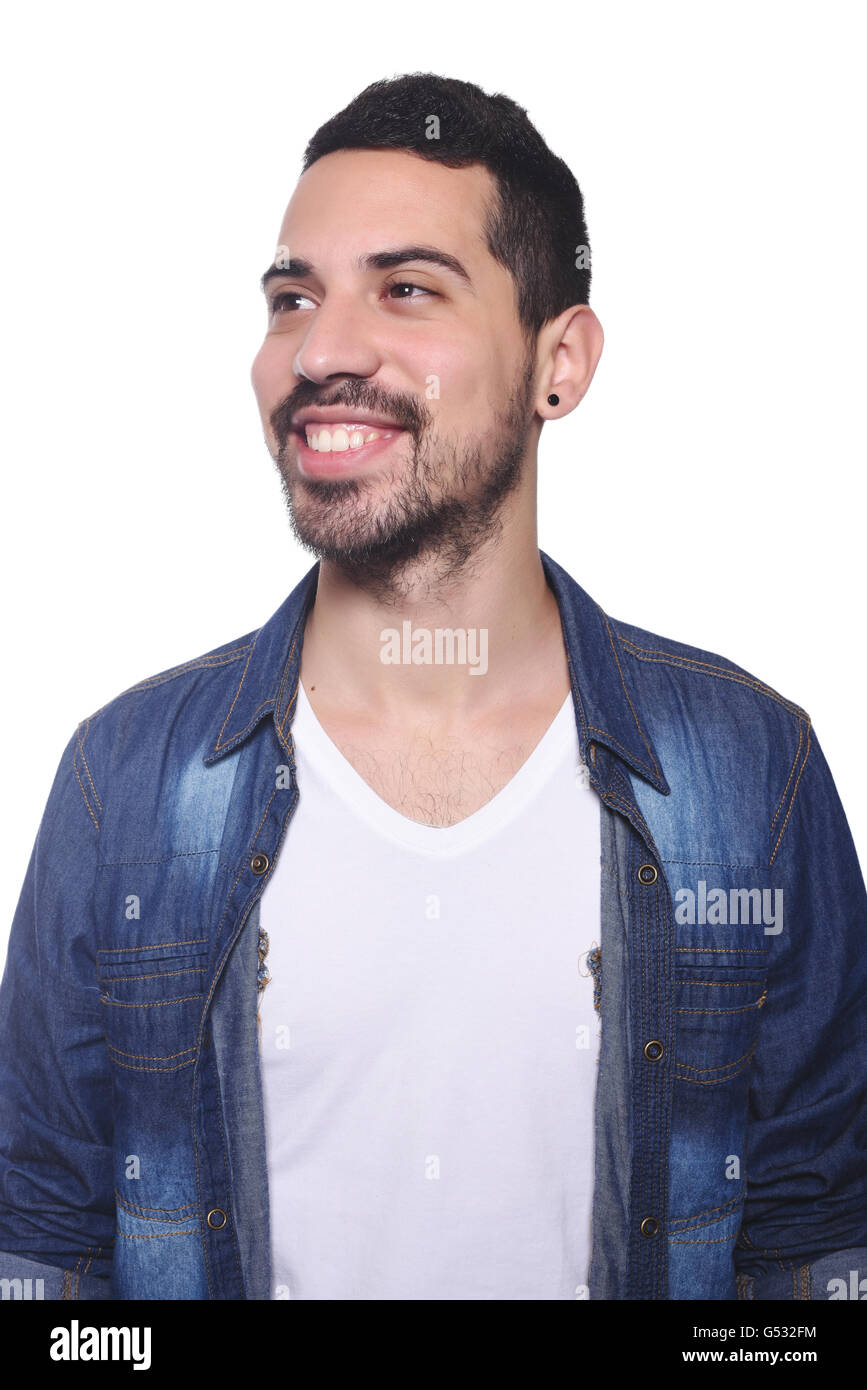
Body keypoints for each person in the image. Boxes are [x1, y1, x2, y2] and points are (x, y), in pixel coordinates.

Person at [1, 72, 865, 1302]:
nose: (320, 350)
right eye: (293, 297)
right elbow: (43, 1246)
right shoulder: (123, 779)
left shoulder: (749, 768)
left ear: (557, 361)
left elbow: (814, 1239)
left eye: (406, 289)